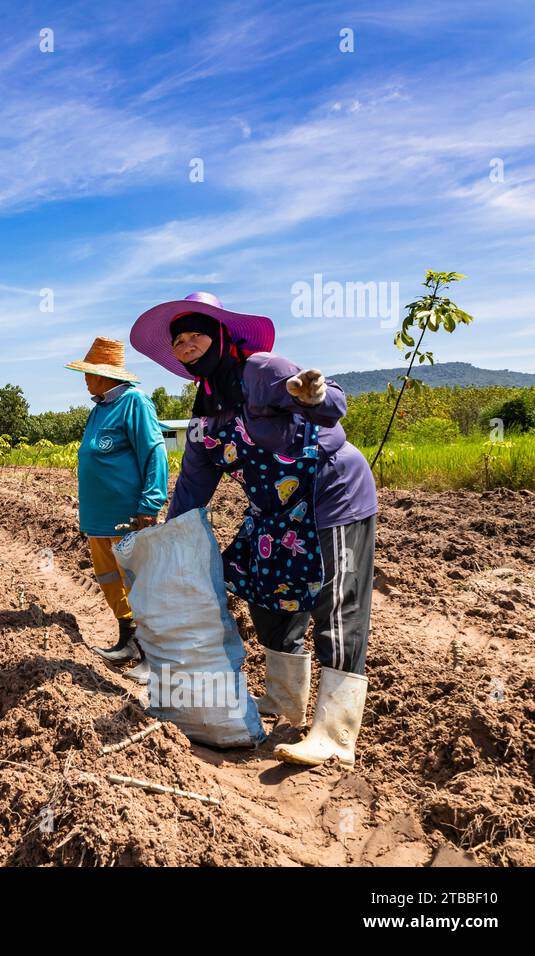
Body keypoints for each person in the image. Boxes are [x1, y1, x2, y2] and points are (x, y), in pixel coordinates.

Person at [129, 292, 378, 766]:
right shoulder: (205, 410)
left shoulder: (261, 370)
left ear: (221, 335)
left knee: (336, 601)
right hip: (273, 512)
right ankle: (285, 702)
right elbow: (194, 480)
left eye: (196, 334)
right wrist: (167, 540)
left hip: (330, 493)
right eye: (178, 341)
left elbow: (331, 402)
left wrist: (312, 394)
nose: (186, 345)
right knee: (269, 599)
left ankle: (334, 732)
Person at [64, 337, 169, 683]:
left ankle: (155, 655)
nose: (85, 378)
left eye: (89, 372)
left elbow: (154, 452)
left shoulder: (134, 402)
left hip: (128, 516)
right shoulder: (99, 409)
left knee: (138, 582)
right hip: (98, 518)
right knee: (109, 579)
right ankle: (128, 640)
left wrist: (150, 503)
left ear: (105, 374)